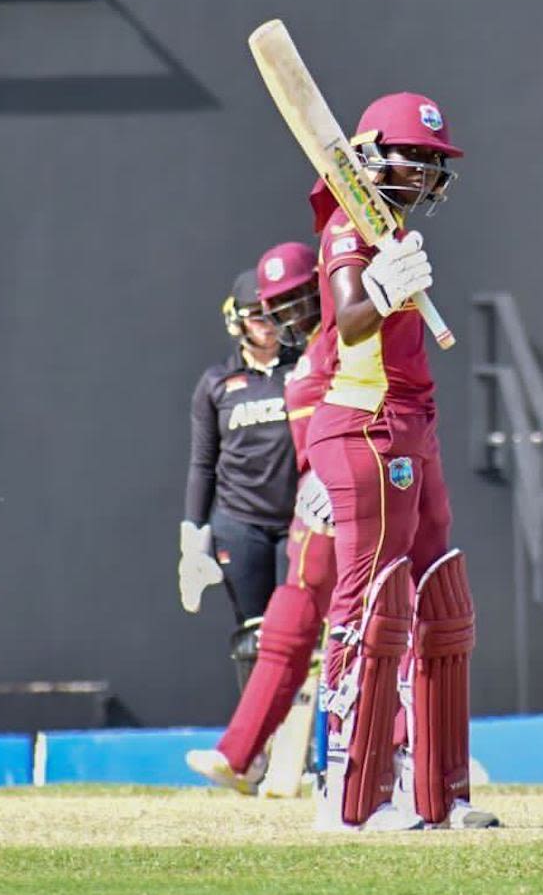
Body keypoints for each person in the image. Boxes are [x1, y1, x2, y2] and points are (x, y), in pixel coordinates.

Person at [307, 92, 497, 831]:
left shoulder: (389, 228)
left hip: (414, 422)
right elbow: (351, 317)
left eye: (432, 160)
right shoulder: (344, 225)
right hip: (365, 425)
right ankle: (350, 793)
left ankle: (440, 790)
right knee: (372, 603)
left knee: (440, 599)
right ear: (371, 155)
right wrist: (385, 289)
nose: (422, 170)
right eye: (411, 154)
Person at [186, 242, 339, 794]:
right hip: (298, 521)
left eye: (301, 300)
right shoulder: (228, 382)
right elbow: (204, 461)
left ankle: (382, 757)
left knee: (370, 635)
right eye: (278, 307)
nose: (288, 319)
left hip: (364, 507)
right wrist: (192, 534)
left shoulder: (347, 340)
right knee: (277, 632)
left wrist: (344, 473)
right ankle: (246, 754)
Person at [178, 270, 299, 658]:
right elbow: (203, 463)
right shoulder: (217, 382)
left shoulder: (307, 368)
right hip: (241, 523)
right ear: (237, 319)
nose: (268, 326)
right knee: (255, 637)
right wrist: (193, 539)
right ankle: (264, 719)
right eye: (257, 316)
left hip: (299, 521)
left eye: (276, 314)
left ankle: (313, 720)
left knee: (301, 629)